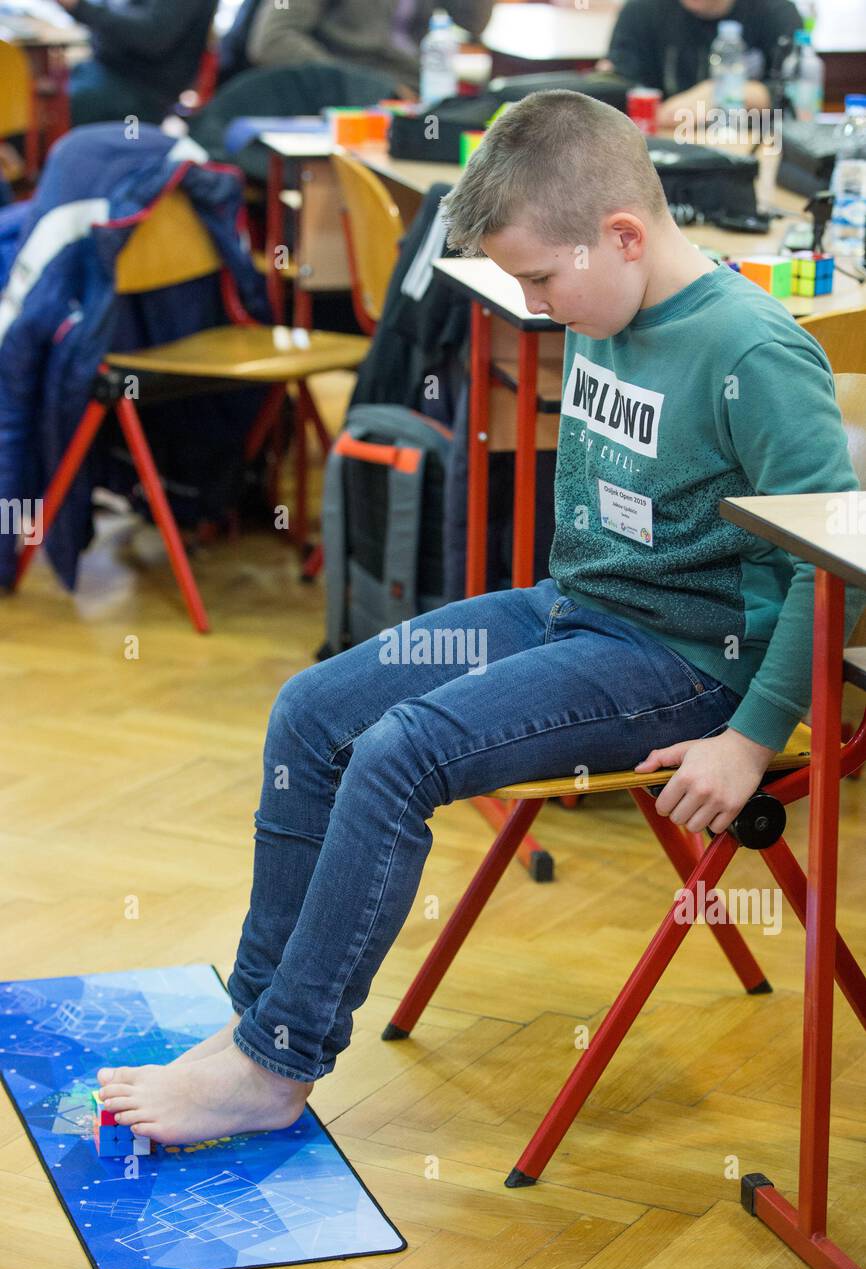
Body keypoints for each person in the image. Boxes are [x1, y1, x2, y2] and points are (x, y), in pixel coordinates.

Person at [94, 90, 864, 1145]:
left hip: (687, 661)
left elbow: (838, 564)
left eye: (541, 279)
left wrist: (748, 737)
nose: (534, 306)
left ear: (624, 235)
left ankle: (278, 1066)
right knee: (310, 711)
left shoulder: (749, 352)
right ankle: (253, 1028)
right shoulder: (611, 296)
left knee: (400, 752)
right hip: (577, 609)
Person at [601, 0, 802, 128]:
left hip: (748, 150)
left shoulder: (776, 12)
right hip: (661, 151)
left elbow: (797, 94)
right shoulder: (640, 11)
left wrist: (719, 94)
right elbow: (619, 94)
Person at [244, 0, 495, 95]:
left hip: (414, 96)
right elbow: (273, 41)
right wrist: (366, 87)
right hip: (342, 99)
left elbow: (474, 21)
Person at [56, 0, 218, 125]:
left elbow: (152, 37)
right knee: (46, 87)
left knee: (52, 109)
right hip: (106, 71)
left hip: (141, 91)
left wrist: (79, 7)